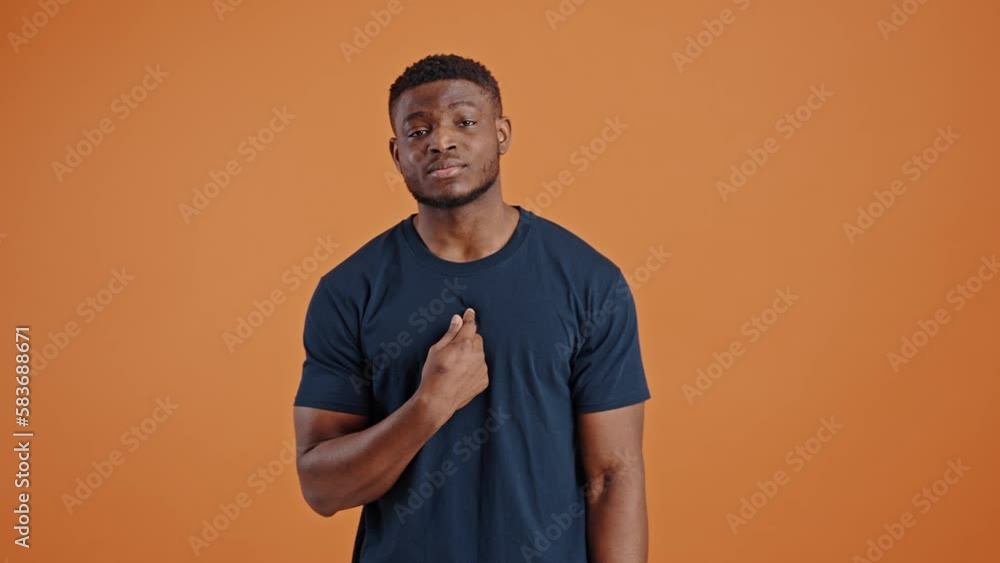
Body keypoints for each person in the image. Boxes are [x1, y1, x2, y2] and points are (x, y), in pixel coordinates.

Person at [293, 53, 651, 563]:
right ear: (397, 154)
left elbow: (613, 476)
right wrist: (428, 407)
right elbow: (322, 488)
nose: (441, 140)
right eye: (418, 132)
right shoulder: (349, 290)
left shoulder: (589, 281)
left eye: (465, 122)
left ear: (502, 134)